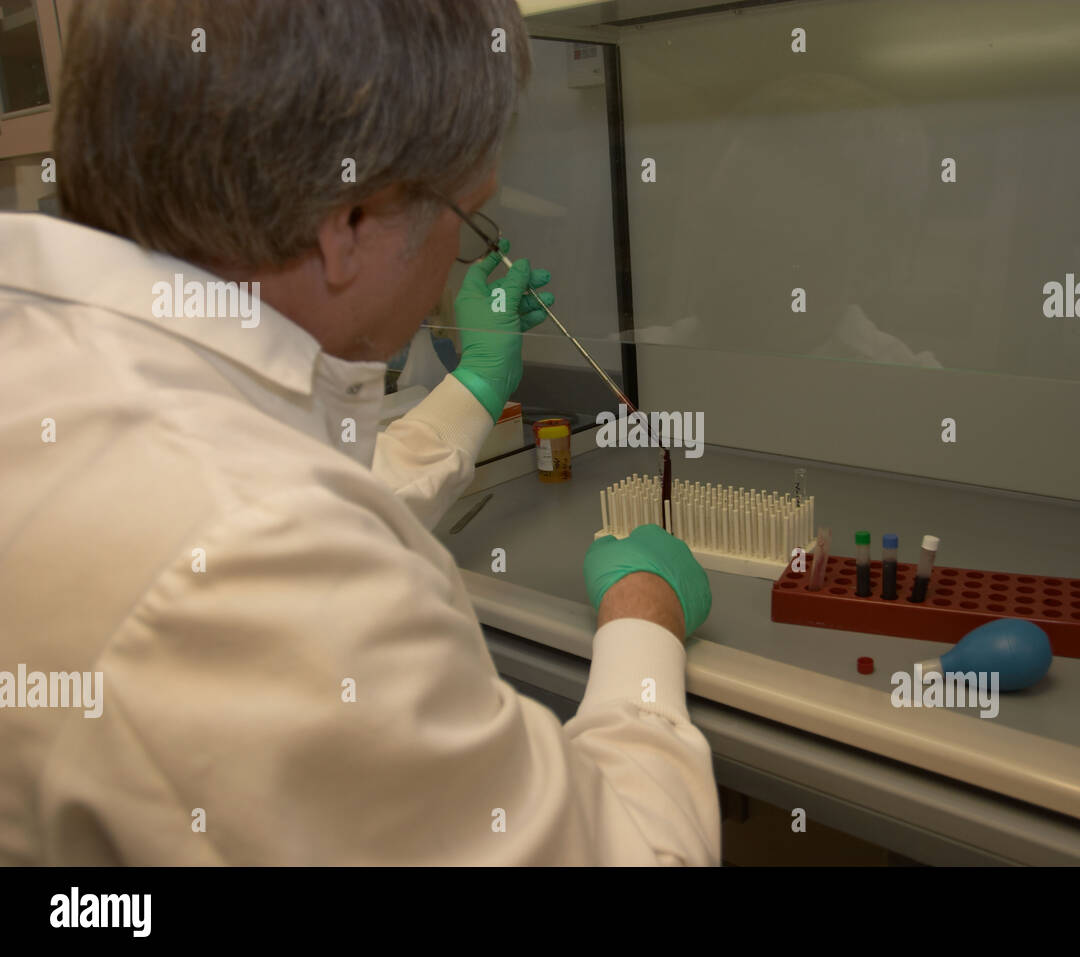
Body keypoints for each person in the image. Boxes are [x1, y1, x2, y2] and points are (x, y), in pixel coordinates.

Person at [0, 0, 717, 865]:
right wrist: (645, 630)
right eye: (469, 212)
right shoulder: (253, 555)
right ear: (347, 226)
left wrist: (476, 386)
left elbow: (256, 478)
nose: (462, 245)